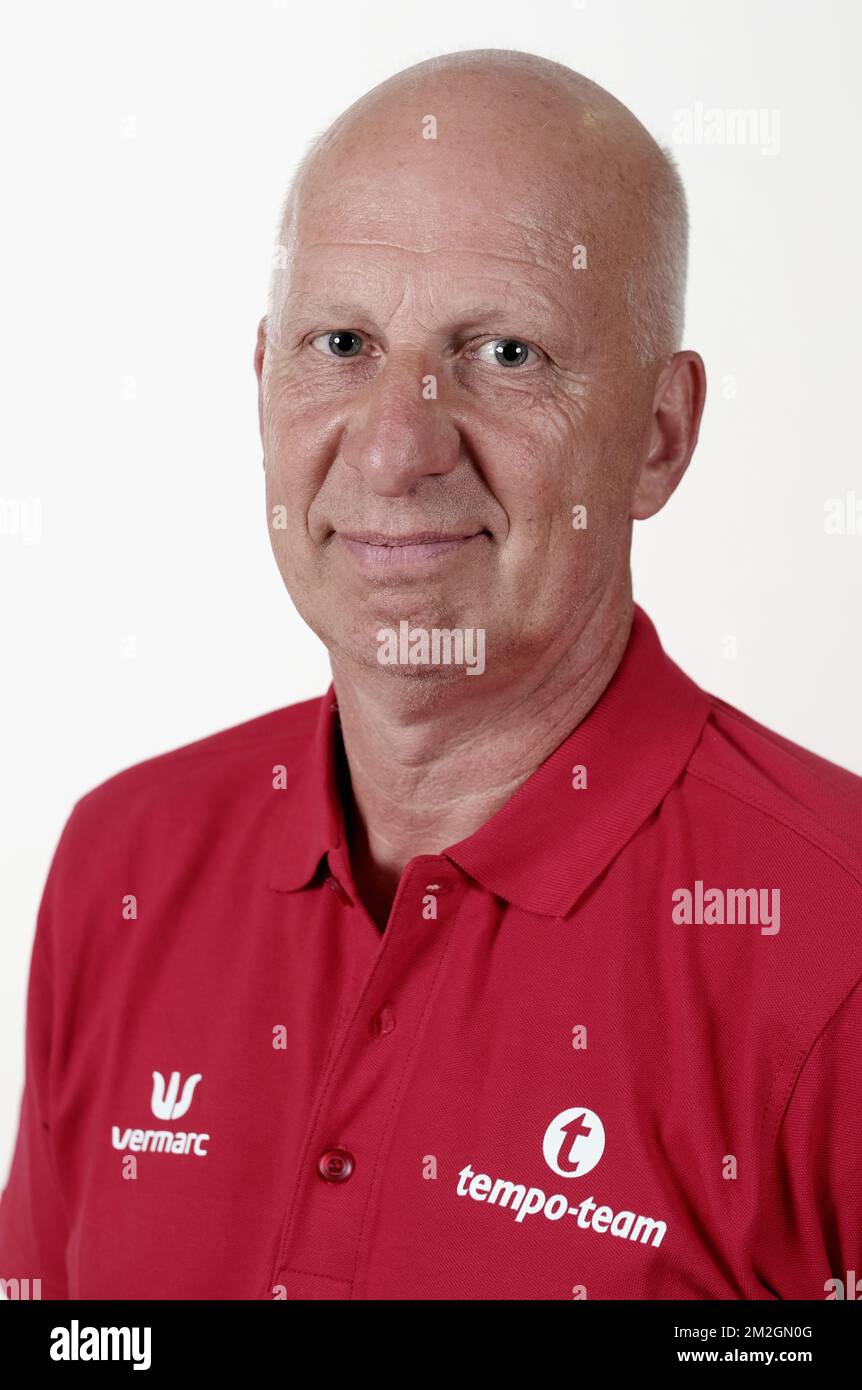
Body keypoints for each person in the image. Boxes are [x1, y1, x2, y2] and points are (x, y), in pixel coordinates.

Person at [1, 49, 860, 1302]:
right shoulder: (123, 861)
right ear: (261, 386)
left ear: (659, 438)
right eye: (341, 341)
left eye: (506, 353)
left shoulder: (834, 946)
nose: (397, 446)